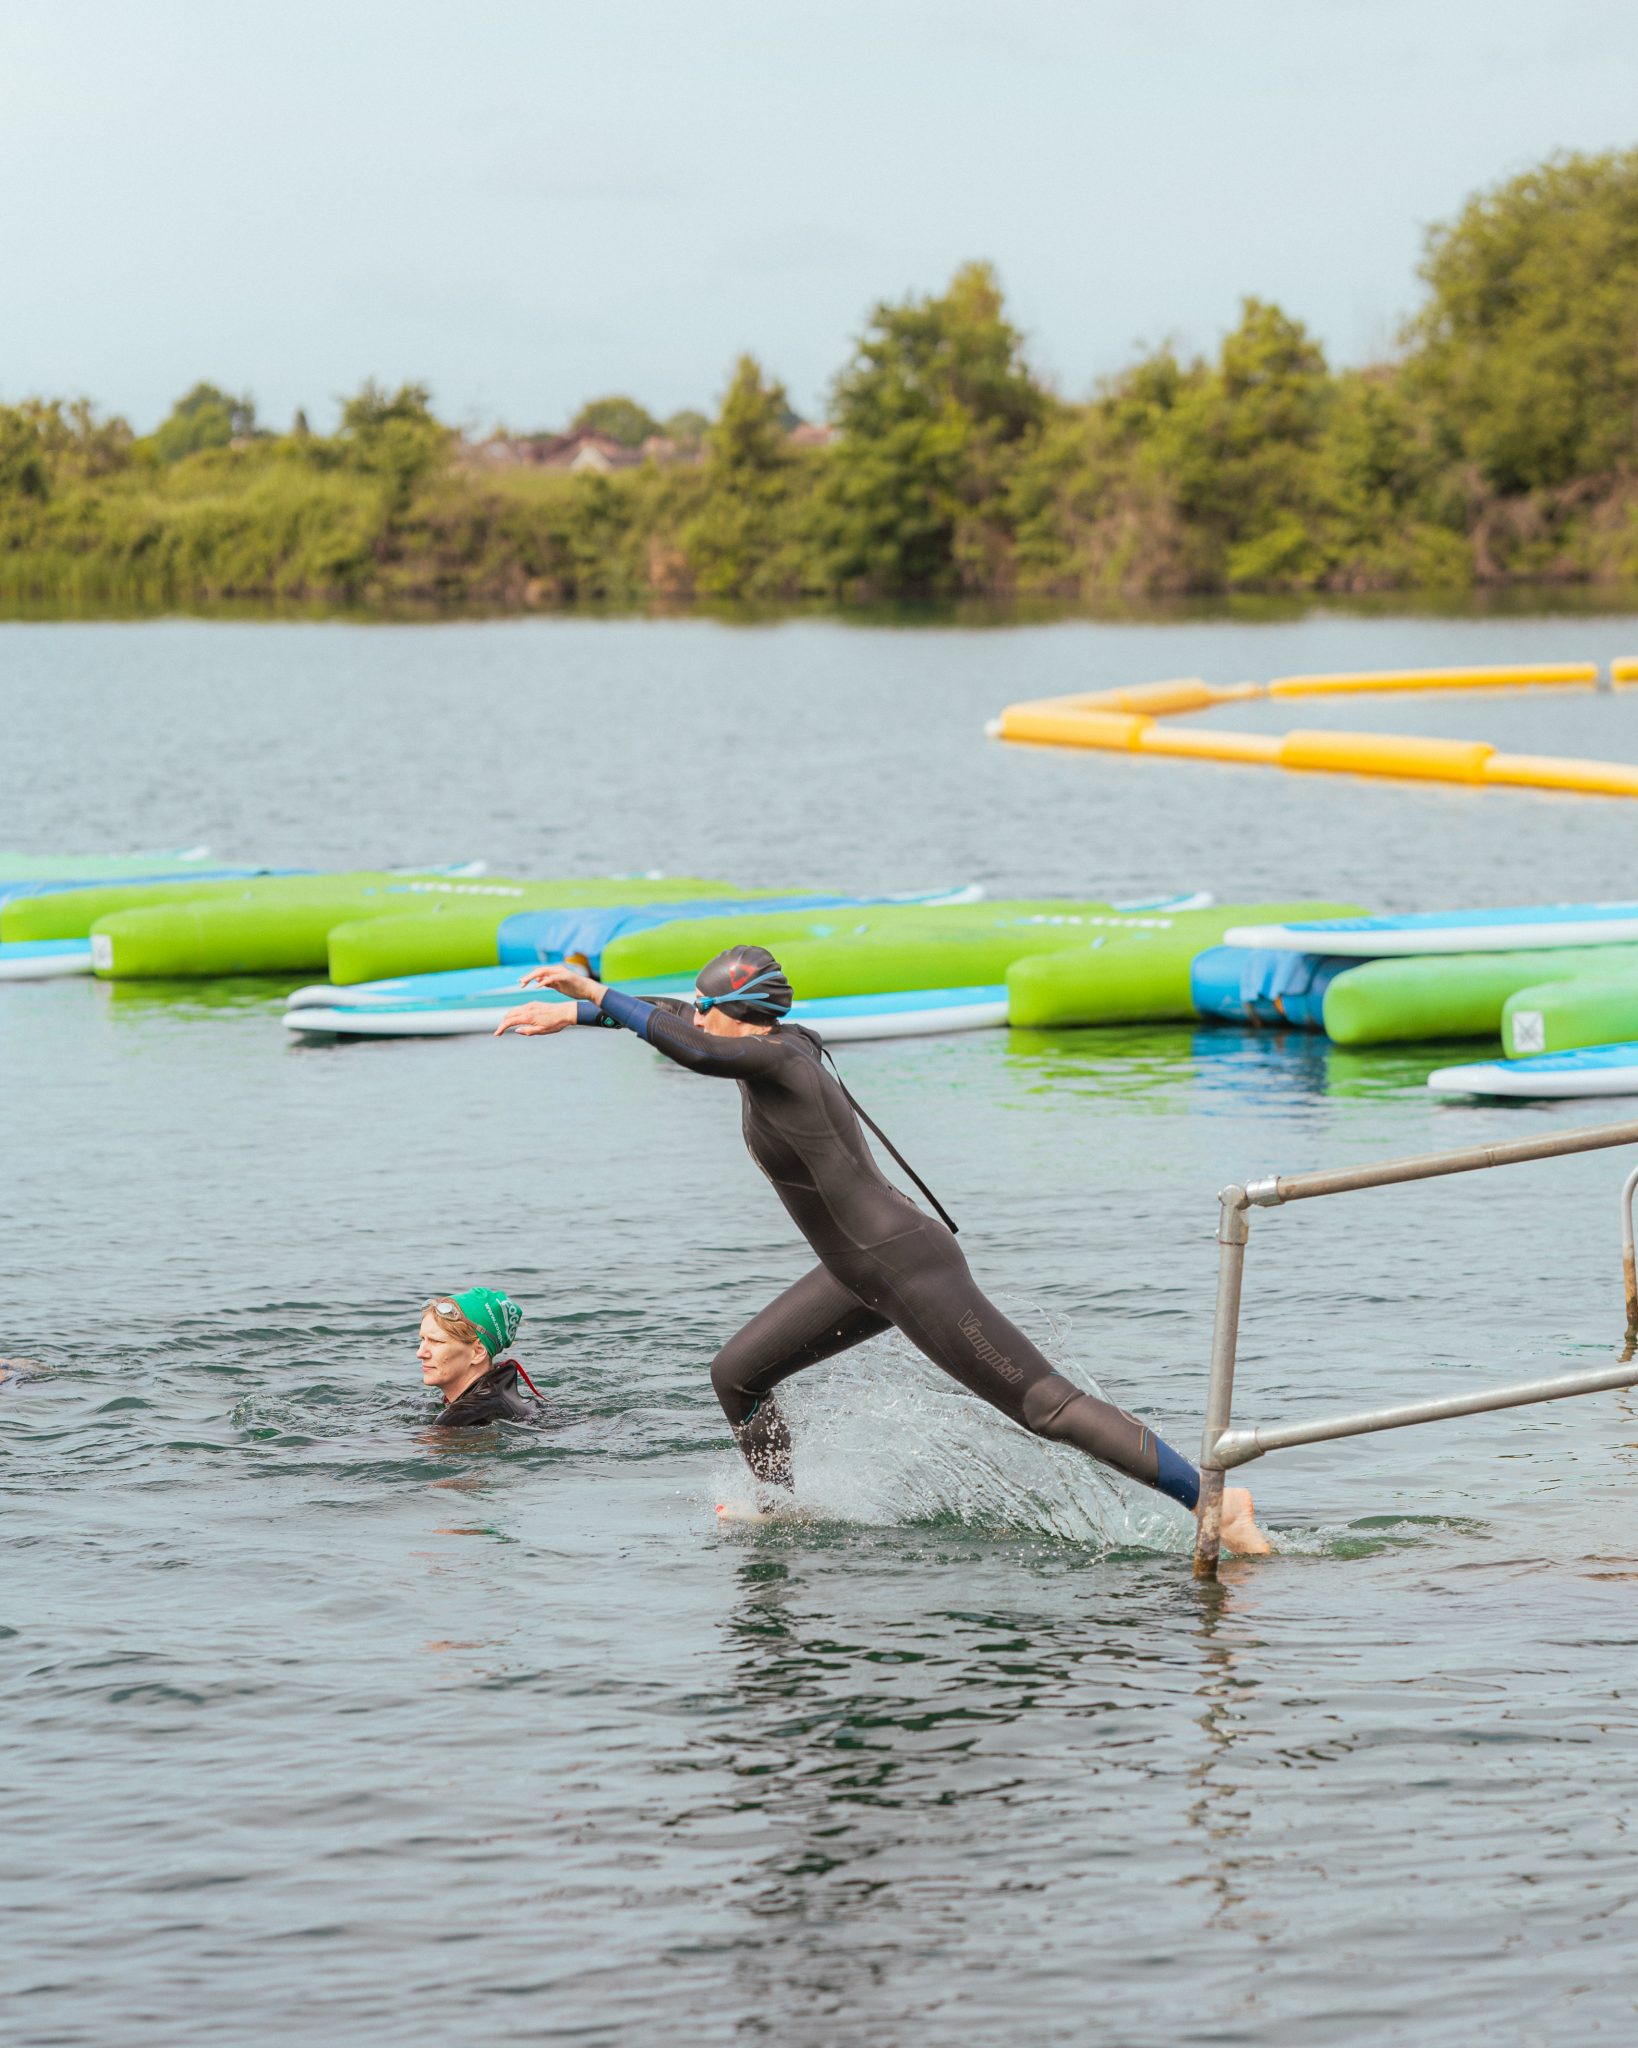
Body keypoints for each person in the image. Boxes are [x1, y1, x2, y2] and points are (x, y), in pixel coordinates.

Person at [496, 945, 1270, 1553]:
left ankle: (1215, 1501)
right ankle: (785, 1511)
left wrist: (598, 994)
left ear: (743, 1018)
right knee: (738, 1375)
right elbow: (685, 1027)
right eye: (694, 1005)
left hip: (905, 1264)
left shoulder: (774, 1060)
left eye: (709, 1007)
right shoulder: (770, 1042)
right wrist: (578, 1019)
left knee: (1047, 1405)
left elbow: (695, 1049)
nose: (695, 1016)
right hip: (855, 1272)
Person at [418, 1287, 541, 1428]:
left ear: (478, 1352)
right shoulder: (507, 1398)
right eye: (422, 1339)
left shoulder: (459, 1418)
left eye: (437, 1341)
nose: (420, 1353)